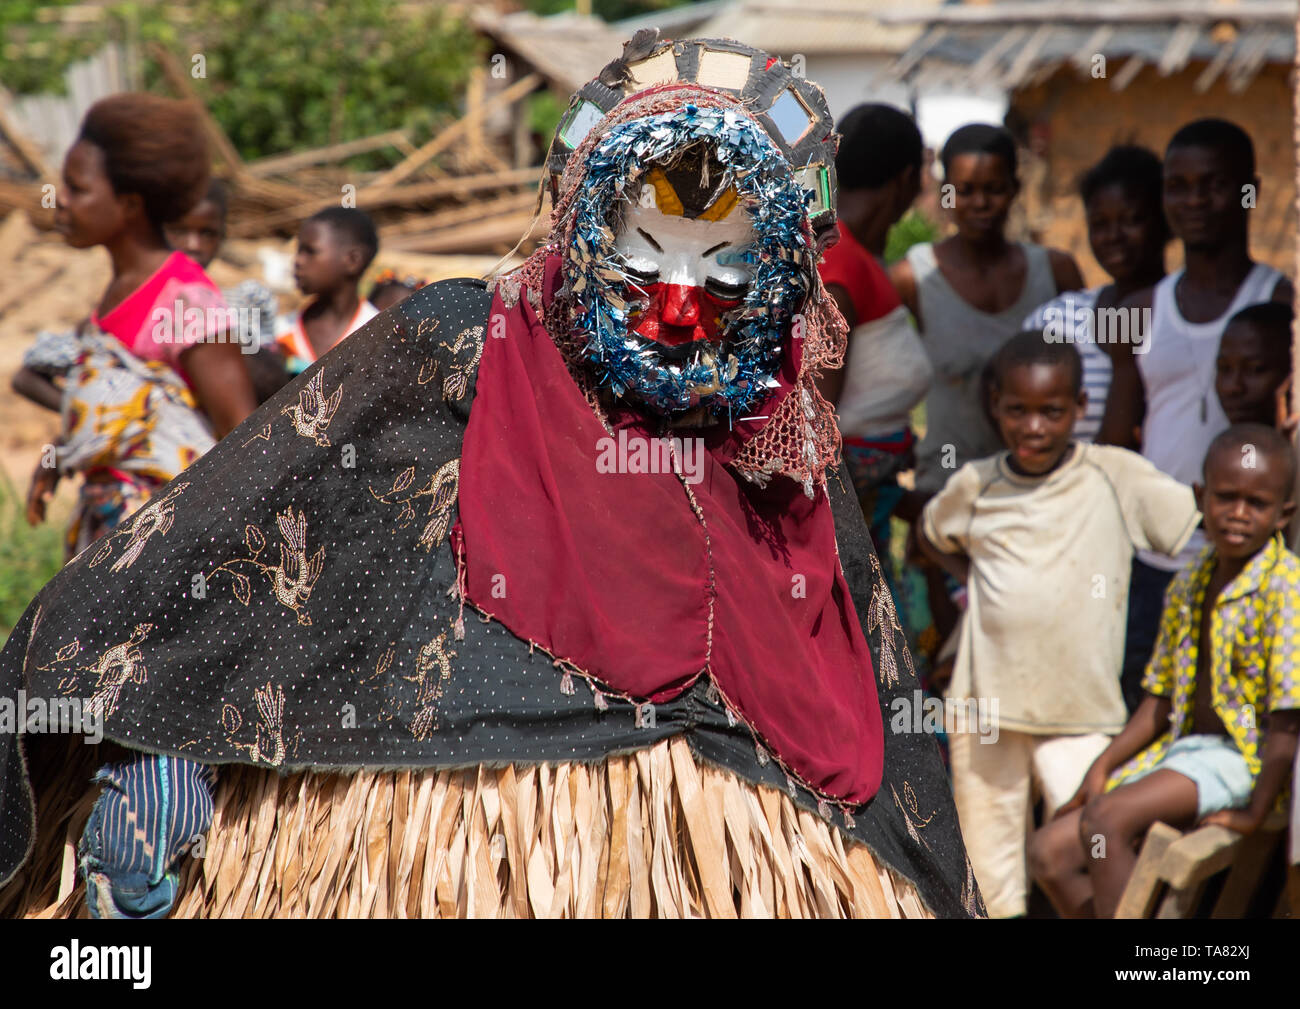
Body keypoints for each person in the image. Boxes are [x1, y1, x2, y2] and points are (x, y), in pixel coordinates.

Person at [0, 35, 980, 920]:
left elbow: (862, 666)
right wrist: (163, 719)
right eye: (645, 258)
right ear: (587, 232)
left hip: (727, 851)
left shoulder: (773, 431)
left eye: (724, 272)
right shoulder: (462, 341)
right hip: (444, 833)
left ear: (775, 280)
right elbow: (268, 511)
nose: (680, 308)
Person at [918, 331, 1199, 917]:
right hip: (985, 710)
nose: (1034, 428)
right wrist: (975, 583)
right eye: (1017, 410)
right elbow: (931, 533)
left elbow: (1197, 513)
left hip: (1080, 710)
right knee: (990, 868)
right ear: (994, 406)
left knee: (1091, 846)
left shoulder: (1115, 475)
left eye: (1051, 411)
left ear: (1079, 409)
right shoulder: (976, 485)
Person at [1028, 424, 1300, 918]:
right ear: (1200, 497)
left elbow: (1285, 723)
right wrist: (1103, 766)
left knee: (1106, 822)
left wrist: (1256, 810)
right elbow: (1158, 701)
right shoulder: (1190, 583)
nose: (1238, 514)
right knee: (1048, 851)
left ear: (1285, 512)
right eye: (1226, 497)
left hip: (1244, 763)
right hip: (1182, 754)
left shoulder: (1285, 589)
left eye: (1256, 503)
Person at [1100, 119, 1294, 715]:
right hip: (1155, 560)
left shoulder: (1281, 303)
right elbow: (1115, 441)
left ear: (1248, 192)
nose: (1194, 202)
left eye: (1213, 185)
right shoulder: (1137, 309)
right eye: (1178, 187)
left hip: (1251, 555)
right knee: (1147, 708)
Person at [17, 93, 256, 558]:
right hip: (110, 545)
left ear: (128, 205)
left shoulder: (185, 301)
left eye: (76, 189)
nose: (60, 202)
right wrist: (59, 455)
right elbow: (117, 407)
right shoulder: (115, 296)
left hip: (170, 555)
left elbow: (245, 438)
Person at [890, 123, 1085, 498]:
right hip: (945, 495)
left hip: (1042, 495)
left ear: (1014, 189)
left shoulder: (1056, 274)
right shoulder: (915, 277)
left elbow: (1090, 374)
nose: (980, 203)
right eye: (965, 191)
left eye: (993, 190)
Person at [816, 104, 931, 580]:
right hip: (845, 538)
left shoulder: (856, 257)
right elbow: (815, 422)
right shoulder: (840, 263)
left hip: (872, 514)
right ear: (907, 180)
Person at [1023, 146, 1170, 443]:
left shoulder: (1192, 318)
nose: (1114, 236)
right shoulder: (1056, 322)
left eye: (1131, 220)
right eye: (1100, 224)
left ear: (1167, 221)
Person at [164, 179, 289, 403]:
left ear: (222, 236)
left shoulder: (245, 302)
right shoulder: (142, 302)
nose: (194, 244)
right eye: (180, 230)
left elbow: (270, 381)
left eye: (207, 233)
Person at [273, 207, 380, 374]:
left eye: (310, 251)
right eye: (299, 250)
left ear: (353, 260)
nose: (298, 261)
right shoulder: (281, 334)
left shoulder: (379, 337)